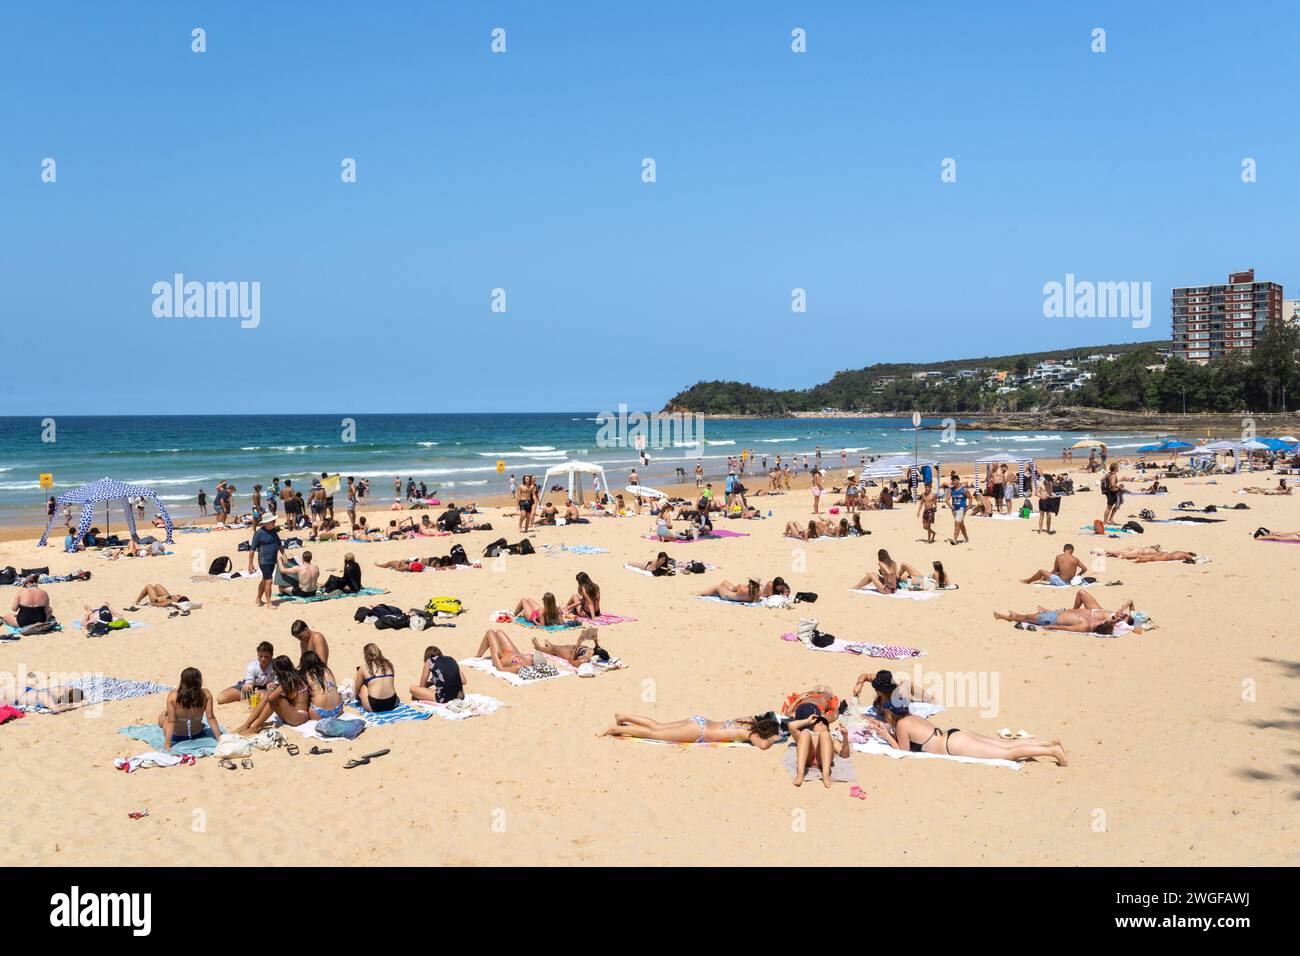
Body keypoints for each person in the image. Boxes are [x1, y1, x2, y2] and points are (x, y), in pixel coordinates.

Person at [863, 712, 1067, 765]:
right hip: (955, 734)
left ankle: (1052, 751)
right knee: (1007, 745)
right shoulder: (911, 718)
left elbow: (902, 752)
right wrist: (887, 731)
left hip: (954, 746)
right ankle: (1048, 743)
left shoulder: (902, 725)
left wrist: (885, 736)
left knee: (1008, 754)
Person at [597, 712, 781, 748]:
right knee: (655, 734)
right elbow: (763, 745)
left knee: (659, 726)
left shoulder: (747, 720)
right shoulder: (751, 734)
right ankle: (614, 729)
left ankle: (624, 718)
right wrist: (776, 738)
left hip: (700, 720)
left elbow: (757, 716)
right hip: (698, 733)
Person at [236, 656, 311, 734]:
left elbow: (271, 698)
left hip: (298, 717)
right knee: (269, 697)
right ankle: (247, 724)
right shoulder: (295, 676)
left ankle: (255, 727)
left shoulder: (288, 682)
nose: (275, 673)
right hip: (297, 715)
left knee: (274, 699)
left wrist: (271, 689)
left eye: (275, 670)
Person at [157, 667, 222, 751]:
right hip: (197, 734)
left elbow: (171, 722)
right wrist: (219, 739)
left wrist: (167, 745)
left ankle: (166, 713)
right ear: (199, 680)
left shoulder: (173, 696)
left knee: (163, 718)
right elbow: (210, 718)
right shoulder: (206, 694)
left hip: (177, 737)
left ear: (182, 680)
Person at [476, 629, 559, 679]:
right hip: (512, 653)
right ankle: (479, 654)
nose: (530, 654)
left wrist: (495, 656)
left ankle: (478, 655)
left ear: (531, 662)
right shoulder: (525, 658)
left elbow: (500, 668)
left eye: (532, 655)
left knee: (490, 632)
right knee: (499, 632)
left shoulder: (519, 667)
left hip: (500, 658)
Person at [247, 513, 282, 610]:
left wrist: (284, 553)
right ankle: (269, 603)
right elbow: (252, 550)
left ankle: (258, 598)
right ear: (266, 523)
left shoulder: (274, 531)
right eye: (272, 521)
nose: (274, 522)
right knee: (269, 580)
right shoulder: (258, 534)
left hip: (272, 560)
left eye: (274, 521)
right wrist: (250, 564)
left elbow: (279, 544)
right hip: (263, 560)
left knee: (265, 580)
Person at [353, 643, 400, 713]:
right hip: (392, 703)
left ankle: (370, 709)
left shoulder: (364, 667)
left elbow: (357, 690)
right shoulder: (389, 664)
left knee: (363, 687)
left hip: (375, 706)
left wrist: (358, 697)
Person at [852, 550, 922, 594]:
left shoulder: (881, 563)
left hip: (887, 590)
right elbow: (897, 576)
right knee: (872, 573)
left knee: (870, 575)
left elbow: (888, 573)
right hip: (894, 588)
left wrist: (886, 581)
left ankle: (856, 587)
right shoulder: (893, 563)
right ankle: (857, 587)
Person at [531, 626, 607, 665]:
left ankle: (539, 648)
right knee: (565, 646)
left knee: (555, 649)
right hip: (578, 649)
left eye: (598, 649)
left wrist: (578, 645)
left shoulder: (585, 659)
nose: (598, 647)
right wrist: (595, 640)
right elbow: (598, 648)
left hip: (571, 654)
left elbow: (571, 661)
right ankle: (551, 645)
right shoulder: (596, 652)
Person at [1021, 543, 1088, 586]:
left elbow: (1055, 571)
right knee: (1048, 576)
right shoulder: (1075, 559)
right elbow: (1085, 569)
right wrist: (1078, 575)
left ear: (1064, 550)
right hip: (1070, 582)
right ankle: (1043, 578)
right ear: (1072, 551)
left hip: (1061, 582)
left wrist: (1046, 577)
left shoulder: (1059, 557)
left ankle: (1028, 581)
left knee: (1041, 571)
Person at [124, 583, 189, 612]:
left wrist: (151, 604)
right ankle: (154, 592)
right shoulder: (174, 599)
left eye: (179, 597)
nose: (179, 595)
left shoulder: (169, 602)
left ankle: (137, 601)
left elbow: (159, 605)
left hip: (155, 599)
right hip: (164, 596)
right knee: (157, 585)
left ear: (178, 601)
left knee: (148, 586)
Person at [947, 473, 970, 544]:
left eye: (955, 480)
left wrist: (969, 506)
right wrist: (950, 506)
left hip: (962, 509)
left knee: (957, 523)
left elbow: (970, 498)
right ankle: (966, 538)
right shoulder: (951, 490)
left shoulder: (964, 490)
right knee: (961, 524)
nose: (953, 482)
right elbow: (947, 499)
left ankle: (954, 540)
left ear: (958, 480)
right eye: (952, 480)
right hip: (954, 509)